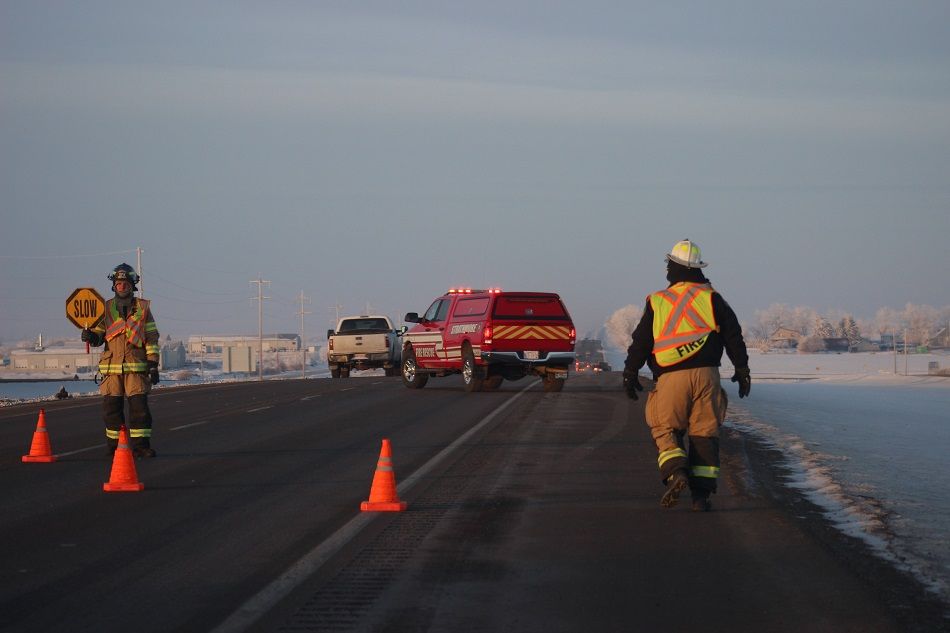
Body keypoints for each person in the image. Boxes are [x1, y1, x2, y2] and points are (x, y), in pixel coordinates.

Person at [623, 240, 751, 511]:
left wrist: (630, 371)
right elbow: (733, 335)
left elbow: (641, 341)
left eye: (669, 263)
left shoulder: (658, 300)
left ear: (676, 267)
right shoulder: (711, 297)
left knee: (664, 427)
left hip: (671, 378)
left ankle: (676, 471)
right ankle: (700, 497)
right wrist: (742, 369)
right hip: (707, 376)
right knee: (704, 433)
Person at [81, 263, 161, 458]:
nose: (121, 287)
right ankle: (115, 447)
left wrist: (152, 364)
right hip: (112, 371)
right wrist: (90, 336)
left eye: (125, 284)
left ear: (132, 285)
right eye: (118, 283)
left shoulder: (143, 309)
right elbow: (100, 336)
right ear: (113, 286)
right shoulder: (106, 308)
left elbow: (151, 337)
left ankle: (141, 446)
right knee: (111, 411)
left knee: (140, 411)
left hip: (137, 370)